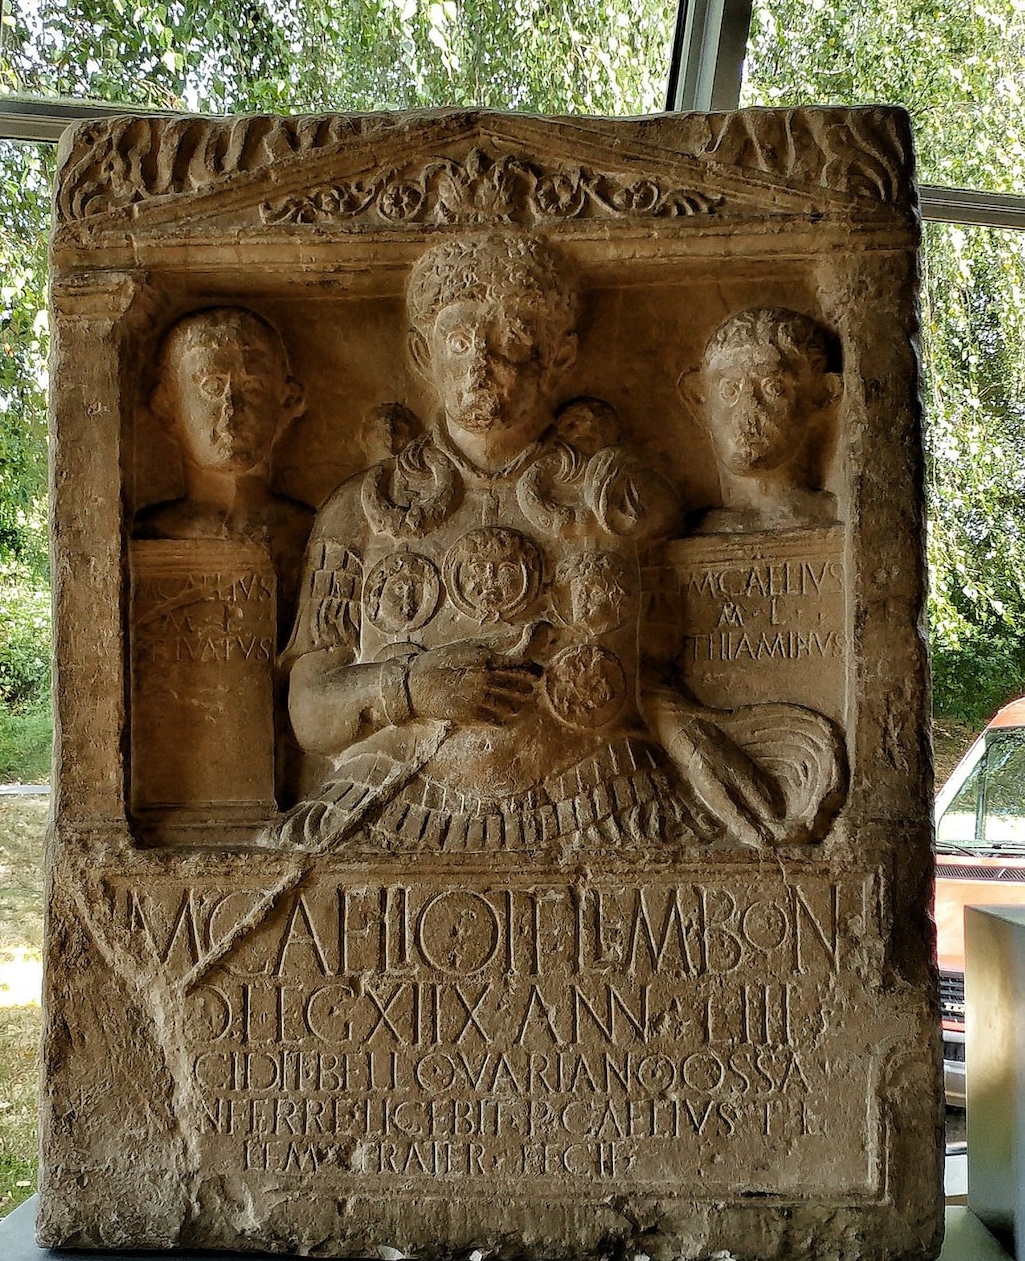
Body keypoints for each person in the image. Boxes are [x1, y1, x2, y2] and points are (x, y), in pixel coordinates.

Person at [279, 235, 839, 850]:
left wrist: (710, 762)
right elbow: (310, 712)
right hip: (394, 802)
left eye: (512, 341)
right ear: (421, 353)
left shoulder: (624, 502)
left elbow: (650, 677)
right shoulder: (356, 513)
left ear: (560, 355)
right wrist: (410, 688)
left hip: (599, 800)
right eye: (459, 340)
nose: (480, 363)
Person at [134, 305, 312, 627]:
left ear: (287, 402)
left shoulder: (312, 534)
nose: (231, 407)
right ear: (167, 406)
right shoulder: (148, 534)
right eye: (211, 387)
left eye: (252, 386)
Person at [678, 307, 842, 535]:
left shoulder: (836, 513)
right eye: (730, 390)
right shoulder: (681, 525)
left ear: (822, 395)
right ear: (699, 401)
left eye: (773, 388)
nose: (748, 408)